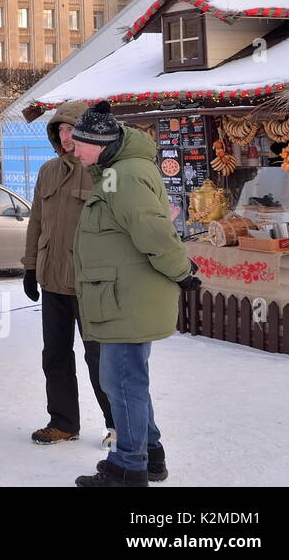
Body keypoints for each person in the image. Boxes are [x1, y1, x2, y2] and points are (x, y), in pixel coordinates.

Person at [68, 101, 200, 487]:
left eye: (79, 144)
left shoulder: (123, 175)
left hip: (127, 299)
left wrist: (182, 271)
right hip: (122, 296)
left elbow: (152, 231)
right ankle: (149, 454)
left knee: (122, 383)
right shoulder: (115, 172)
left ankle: (129, 468)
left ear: (100, 143)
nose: (73, 150)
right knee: (127, 381)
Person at [21, 101, 115, 447]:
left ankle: (117, 424)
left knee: (100, 359)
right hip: (52, 281)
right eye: (59, 130)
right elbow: (36, 224)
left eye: (71, 130)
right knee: (55, 355)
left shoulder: (104, 172)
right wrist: (30, 267)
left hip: (90, 282)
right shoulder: (48, 171)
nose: (65, 137)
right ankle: (62, 422)